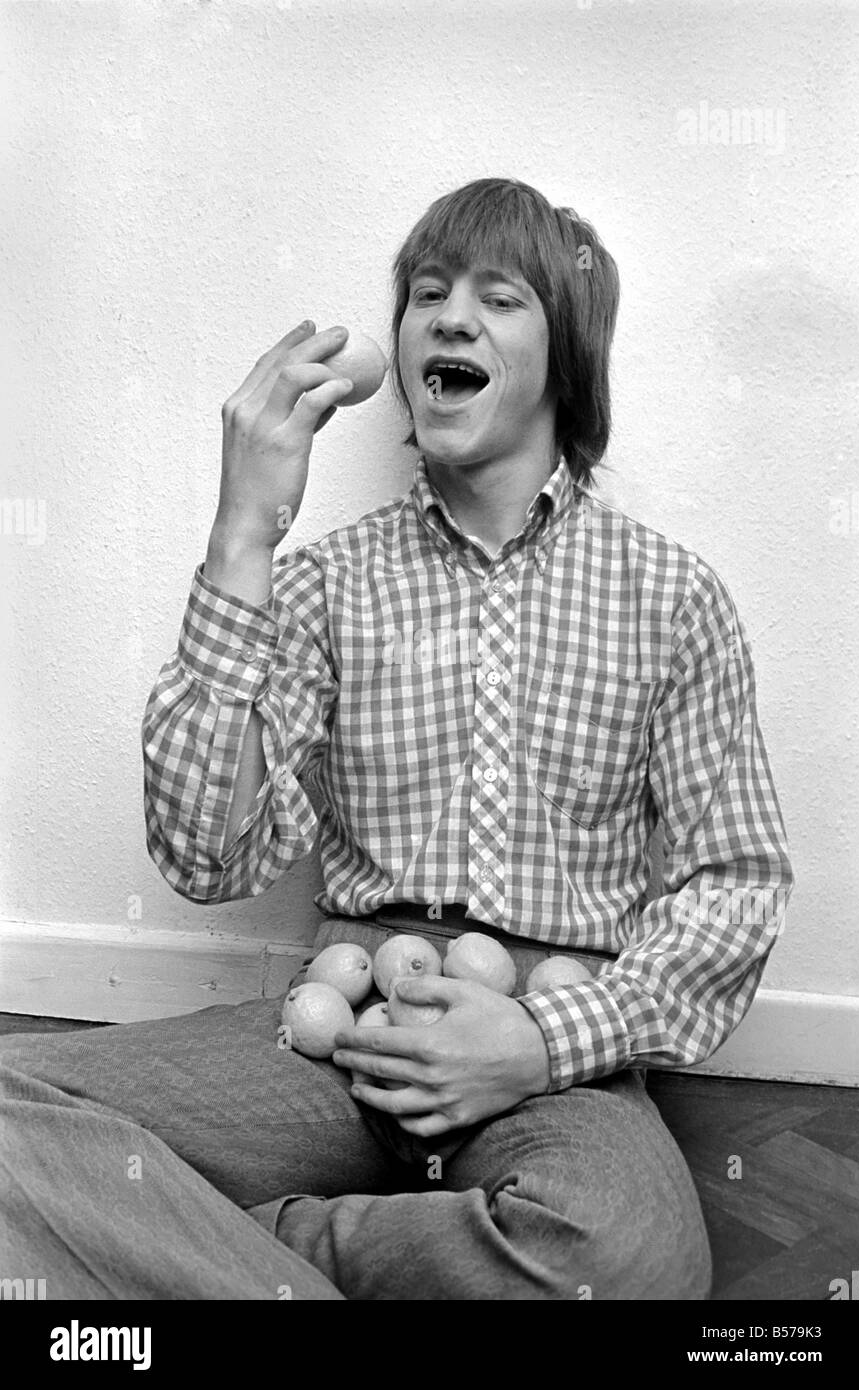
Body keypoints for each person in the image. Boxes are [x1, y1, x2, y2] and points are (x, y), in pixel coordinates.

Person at [0, 177, 793, 1301]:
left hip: (552, 1050)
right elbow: (205, 858)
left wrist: (544, 1040)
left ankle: (242, 1248)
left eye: (496, 297)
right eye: (426, 293)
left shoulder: (671, 595)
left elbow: (734, 886)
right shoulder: (324, 581)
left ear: (567, 354)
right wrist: (242, 532)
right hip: (337, 1021)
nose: (446, 317)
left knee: (630, 1258)